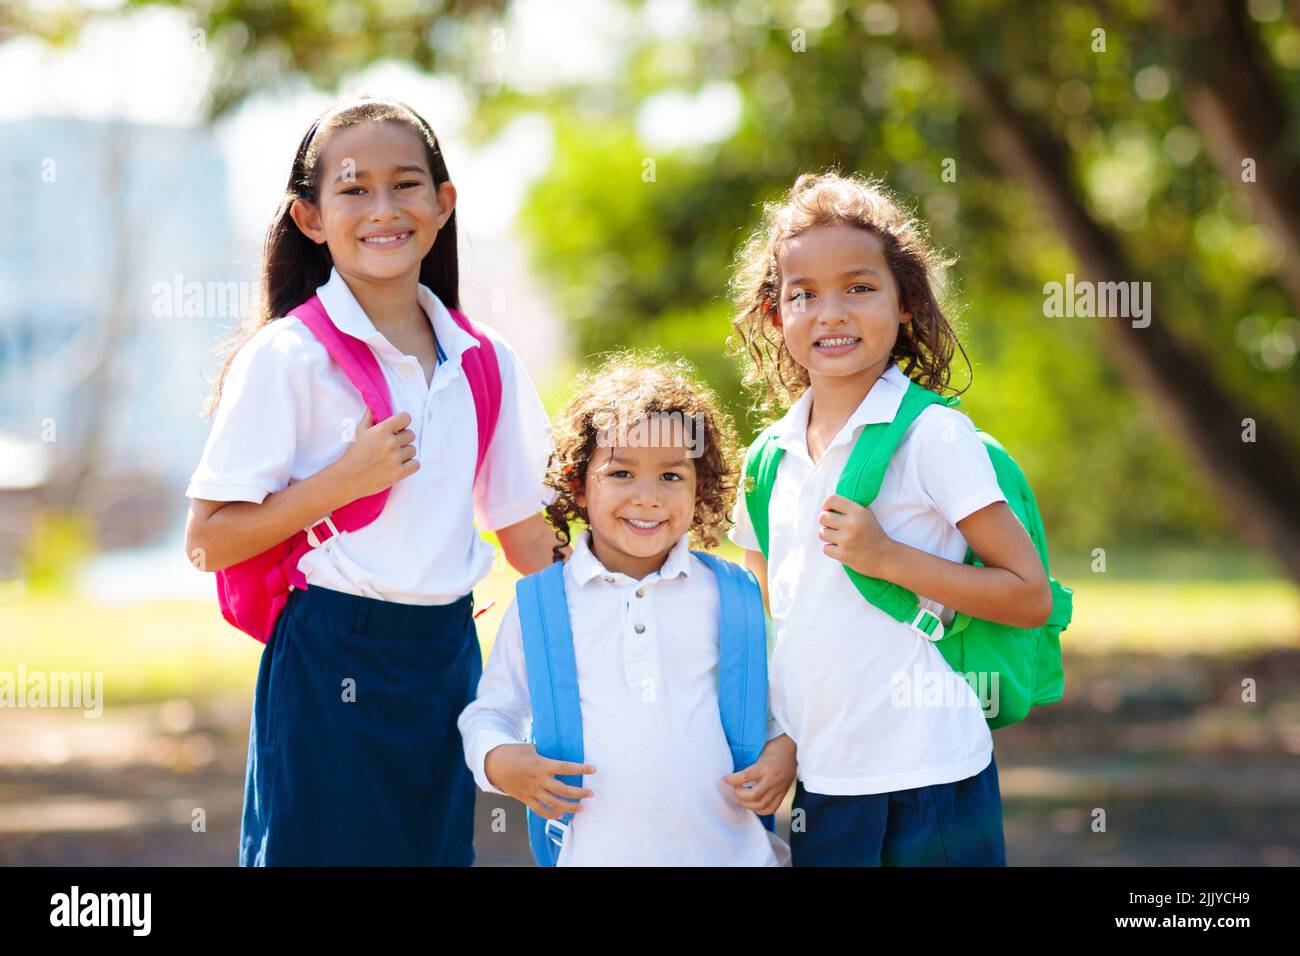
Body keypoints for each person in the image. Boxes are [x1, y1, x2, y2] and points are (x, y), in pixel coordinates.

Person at [184, 96, 563, 866]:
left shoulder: (487, 362)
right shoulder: (287, 358)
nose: (383, 209)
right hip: (329, 657)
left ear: (443, 203)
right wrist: (342, 481)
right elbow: (208, 542)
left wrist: (652, 575)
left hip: (447, 659)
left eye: (407, 185)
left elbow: (529, 541)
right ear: (311, 217)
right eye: (354, 189)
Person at [726, 171, 1053, 866]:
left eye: (860, 287)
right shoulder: (767, 460)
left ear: (905, 302)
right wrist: (781, 741)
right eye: (802, 295)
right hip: (824, 784)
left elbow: (1028, 595)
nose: (831, 313)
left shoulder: (931, 434)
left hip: (932, 776)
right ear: (774, 312)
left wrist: (887, 558)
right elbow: (774, 630)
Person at [458, 355, 795, 865]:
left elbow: (780, 707)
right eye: (621, 472)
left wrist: (783, 751)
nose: (647, 497)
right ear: (576, 484)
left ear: (699, 486)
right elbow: (492, 713)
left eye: (670, 476)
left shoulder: (733, 594)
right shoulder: (543, 607)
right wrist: (499, 759)